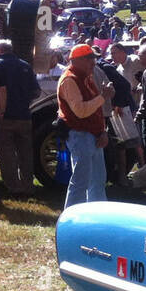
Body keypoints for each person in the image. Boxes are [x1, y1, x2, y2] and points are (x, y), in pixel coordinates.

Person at [59, 44, 115, 209]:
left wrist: (102, 132)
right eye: (91, 58)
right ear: (79, 60)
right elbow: (80, 111)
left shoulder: (85, 77)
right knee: (80, 181)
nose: (94, 62)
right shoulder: (70, 80)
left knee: (97, 180)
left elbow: (95, 110)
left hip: (92, 135)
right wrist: (103, 97)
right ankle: (71, 221)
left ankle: (97, 218)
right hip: (80, 134)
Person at [0, 39, 40, 196]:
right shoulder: (25, 65)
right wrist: (24, 101)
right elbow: (37, 92)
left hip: (4, 117)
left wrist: (0, 109)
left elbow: (0, 89)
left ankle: (14, 187)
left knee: (7, 153)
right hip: (24, 115)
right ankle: (28, 186)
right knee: (25, 153)